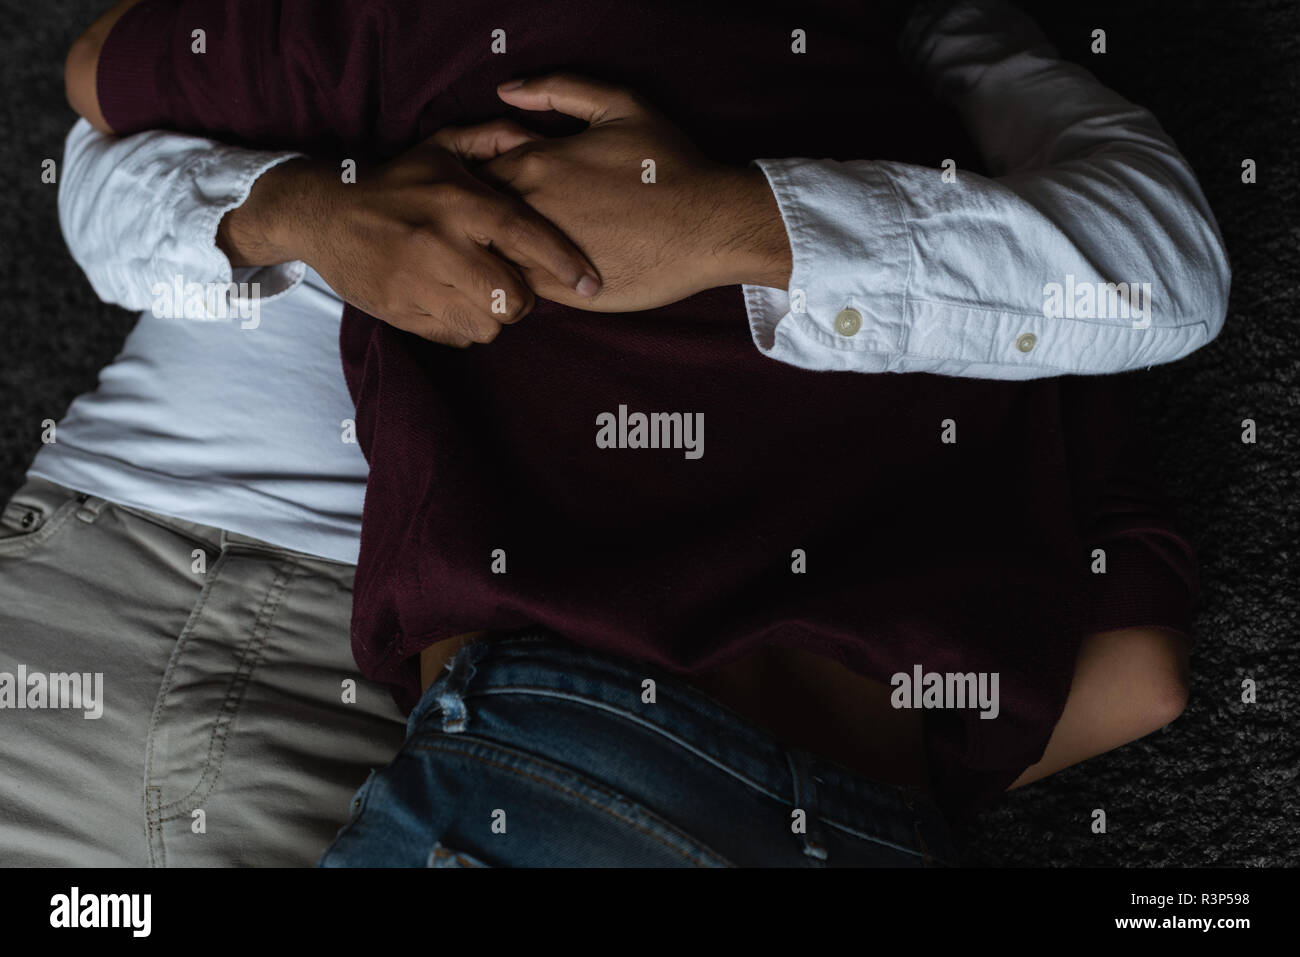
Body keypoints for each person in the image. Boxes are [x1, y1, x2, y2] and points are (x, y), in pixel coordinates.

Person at [0, 0, 1220, 866]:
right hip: (270, 630)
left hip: (609, 745)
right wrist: (309, 210)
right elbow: (103, 116)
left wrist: (726, 228)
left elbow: (103, 74)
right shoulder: (987, 239)